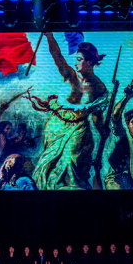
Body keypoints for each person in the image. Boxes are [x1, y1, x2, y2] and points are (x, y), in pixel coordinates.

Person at [28, 33, 109, 190]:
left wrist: (101, 130)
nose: (76, 62)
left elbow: (97, 115)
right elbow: (56, 55)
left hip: (78, 129)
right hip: (56, 127)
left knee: (71, 161)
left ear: (90, 61)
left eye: (80, 60)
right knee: (47, 165)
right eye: (76, 59)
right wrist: (49, 36)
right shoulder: (70, 76)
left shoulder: (99, 87)